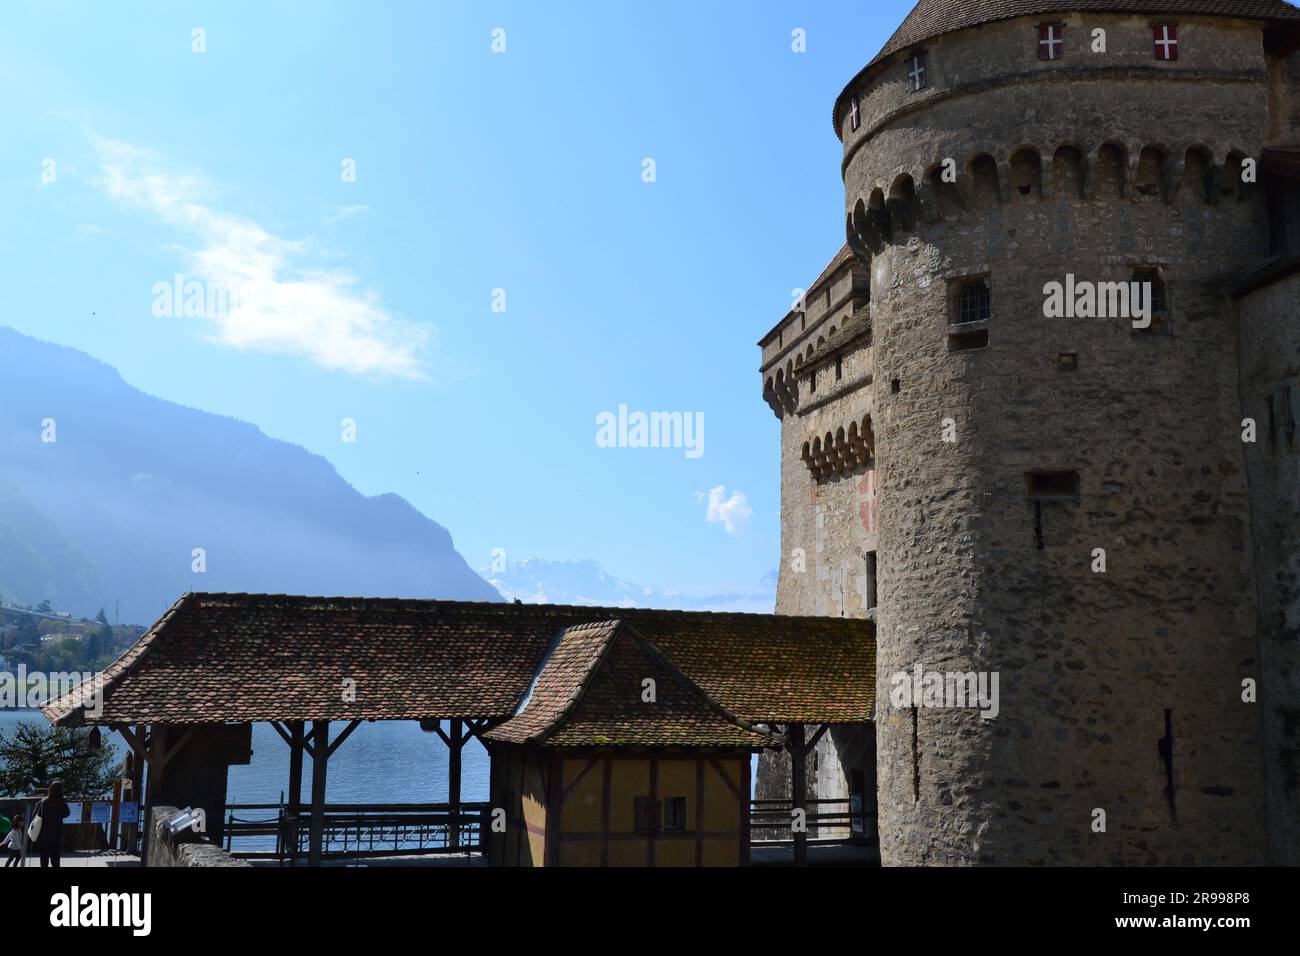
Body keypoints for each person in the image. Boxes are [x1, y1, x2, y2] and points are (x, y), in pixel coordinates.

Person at [33, 781, 70, 868]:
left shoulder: (44, 801)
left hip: (44, 834)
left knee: (44, 859)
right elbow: (67, 814)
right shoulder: (62, 802)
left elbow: (35, 815)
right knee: (55, 860)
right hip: (57, 834)